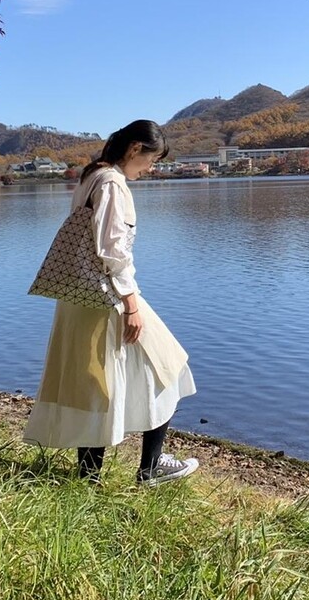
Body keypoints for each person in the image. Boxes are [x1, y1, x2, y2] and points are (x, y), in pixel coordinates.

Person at [23, 119, 199, 485]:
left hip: (80, 296)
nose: (150, 169)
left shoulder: (92, 176)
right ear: (135, 149)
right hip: (108, 296)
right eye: (151, 160)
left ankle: (91, 477)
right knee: (167, 366)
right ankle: (150, 468)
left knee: (93, 385)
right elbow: (112, 251)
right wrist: (132, 305)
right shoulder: (113, 184)